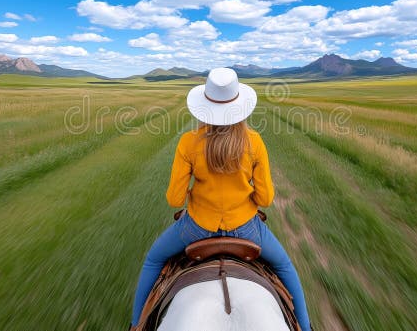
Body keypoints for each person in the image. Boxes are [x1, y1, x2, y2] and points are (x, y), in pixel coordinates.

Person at [130, 67, 311, 330]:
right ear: (239, 105)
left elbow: (174, 199)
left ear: (205, 106)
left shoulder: (188, 143)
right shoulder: (254, 142)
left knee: (153, 260)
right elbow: (266, 198)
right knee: (284, 266)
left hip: (197, 226)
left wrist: (196, 193)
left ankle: (135, 325)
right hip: (247, 227)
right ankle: (305, 328)